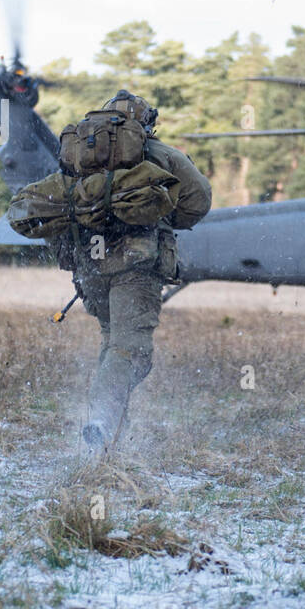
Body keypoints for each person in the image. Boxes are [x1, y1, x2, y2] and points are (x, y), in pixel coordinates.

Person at [54, 91, 211, 450]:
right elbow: (198, 201)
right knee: (133, 352)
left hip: (89, 268)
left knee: (113, 342)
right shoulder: (156, 154)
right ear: (144, 123)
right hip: (134, 266)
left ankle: (107, 436)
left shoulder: (82, 155)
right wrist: (159, 210)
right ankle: (101, 420)